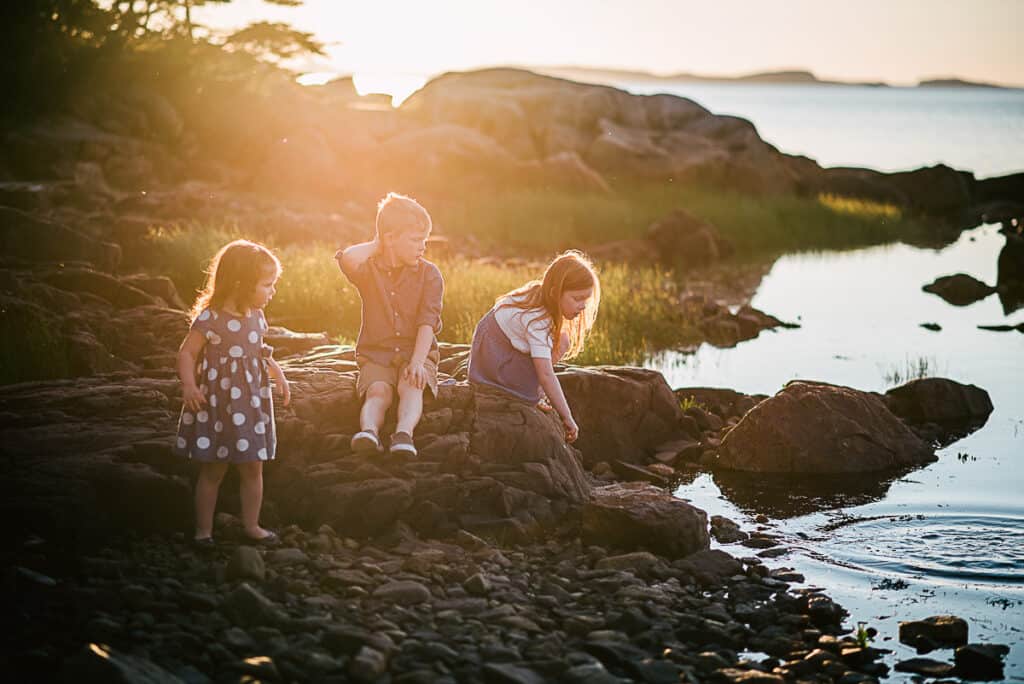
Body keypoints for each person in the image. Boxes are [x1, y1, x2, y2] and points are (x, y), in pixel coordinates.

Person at [174, 239, 290, 547]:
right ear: (241, 283)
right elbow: (187, 353)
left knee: (253, 466)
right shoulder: (211, 318)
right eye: (267, 285)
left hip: (251, 404)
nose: (272, 292)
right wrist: (189, 385)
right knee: (213, 469)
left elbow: (260, 352)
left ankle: (251, 526)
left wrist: (278, 374)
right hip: (219, 405)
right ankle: (203, 531)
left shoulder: (256, 316)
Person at [334, 193, 444, 457]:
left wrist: (418, 362)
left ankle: (404, 434)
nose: (422, 247)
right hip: (377, 355)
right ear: (391, 238)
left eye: (424, 240)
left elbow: (427, 323)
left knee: (411, 385)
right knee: (378, 392)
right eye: (415, 240)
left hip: (415, 351)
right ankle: (369, 432)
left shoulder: (430, 275)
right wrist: (379, 243)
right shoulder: (369, 271)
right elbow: (348, 258)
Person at [468, 250, 600, 443]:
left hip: (496, 350)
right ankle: (535, 392)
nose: (582, 306)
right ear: (555, 293)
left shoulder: (541, 293)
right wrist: (567, 417)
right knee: (542, 375)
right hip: (494, 364)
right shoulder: (538, 320)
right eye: (577, 298)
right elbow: (546, 375)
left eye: (585, 300)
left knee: (563, 340)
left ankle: (535, 388)